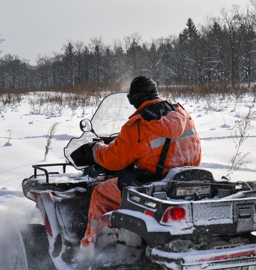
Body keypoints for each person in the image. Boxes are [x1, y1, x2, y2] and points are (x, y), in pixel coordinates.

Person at [70, 76, 201, 250]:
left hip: (154, 185)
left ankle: (88, 248)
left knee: (100, 193)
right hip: (186, 180)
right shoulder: (182, 115)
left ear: (134, 99)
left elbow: (112, 160)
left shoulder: (138, 126)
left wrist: (93, 149)